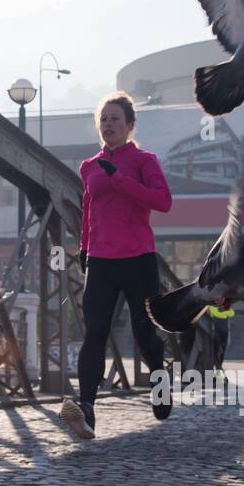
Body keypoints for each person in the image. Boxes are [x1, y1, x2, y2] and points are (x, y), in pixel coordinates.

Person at [61, 91, 173, 440]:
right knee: (94, 333)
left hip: (138, 258)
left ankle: (160, 379)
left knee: (144, 333)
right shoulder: (89, 166)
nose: (108, 125)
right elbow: (89, 209)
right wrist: (84, 248)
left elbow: (163, 202)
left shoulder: (144, 160)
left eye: (115, 120)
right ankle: (87, 410)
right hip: (101, 261)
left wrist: (122, 180)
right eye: (103, 119)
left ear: (129, 125)